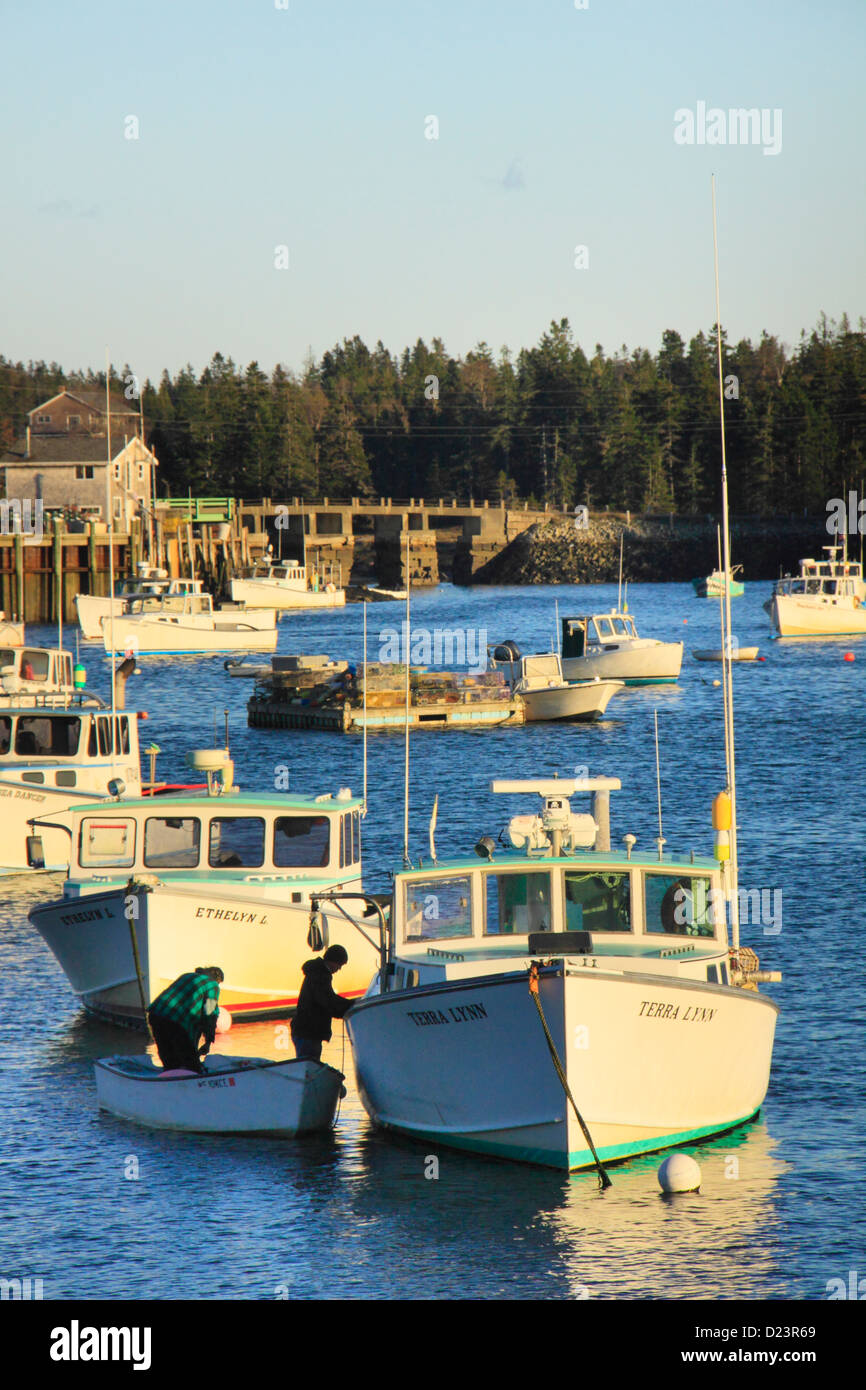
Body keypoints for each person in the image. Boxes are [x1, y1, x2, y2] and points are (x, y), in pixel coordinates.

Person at [147, 966, 224, 1074]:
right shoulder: (212, 984)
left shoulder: (187, 975)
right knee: (191, 1063)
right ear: (217, 978)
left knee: (169, 1060)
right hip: (175, 1019)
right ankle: (194, 1084)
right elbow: (209, 1013)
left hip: (155, 1014)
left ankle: (170, 1078)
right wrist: (208, 1042)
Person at [290, 945, 352, 1061]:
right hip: (309, 1032)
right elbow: (327, 1000)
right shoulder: (320, 975)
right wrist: (349, 1006)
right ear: (333, 961)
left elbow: (327, 998)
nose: (339, 969)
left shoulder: (316, 972)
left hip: (305, 1030)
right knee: (309, 1066)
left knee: (308, 1065)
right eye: (339, 965)